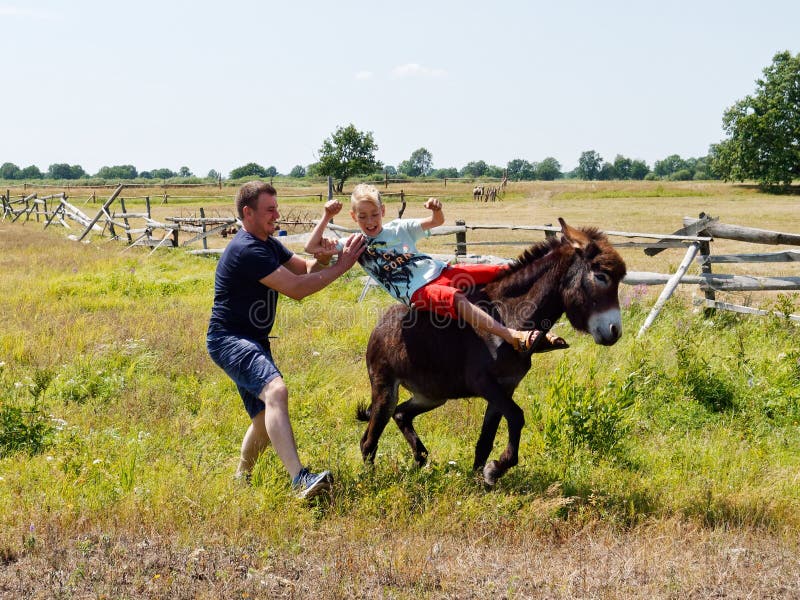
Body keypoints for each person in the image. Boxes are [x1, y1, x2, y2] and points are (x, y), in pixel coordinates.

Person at [207, 181, 365, 499]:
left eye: (277, 208)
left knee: (266, 418)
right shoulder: (247, 249)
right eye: (270, 210)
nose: (276, 215)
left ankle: (241, 478)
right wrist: (343, 266)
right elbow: (296, 289)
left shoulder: (267, 243)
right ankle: (300, 479)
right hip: (230, 338)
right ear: (248, 213)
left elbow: (304, 268)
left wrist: (324, 258)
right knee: (276, 392)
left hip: (250, 339)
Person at [304, 183, 553, 352]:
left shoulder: (400, 228)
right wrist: (326, 216)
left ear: (383, 211)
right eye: (362, 216)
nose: (369, 221)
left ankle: (541, 328)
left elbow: (436, 221)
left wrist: (437, 209)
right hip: (418, 291)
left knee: (504, 271)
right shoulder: (353, 243)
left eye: (373, 214)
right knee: (455, 299)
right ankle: (511, 335)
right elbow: (311, 246)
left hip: (443, 271)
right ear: (353, 217)